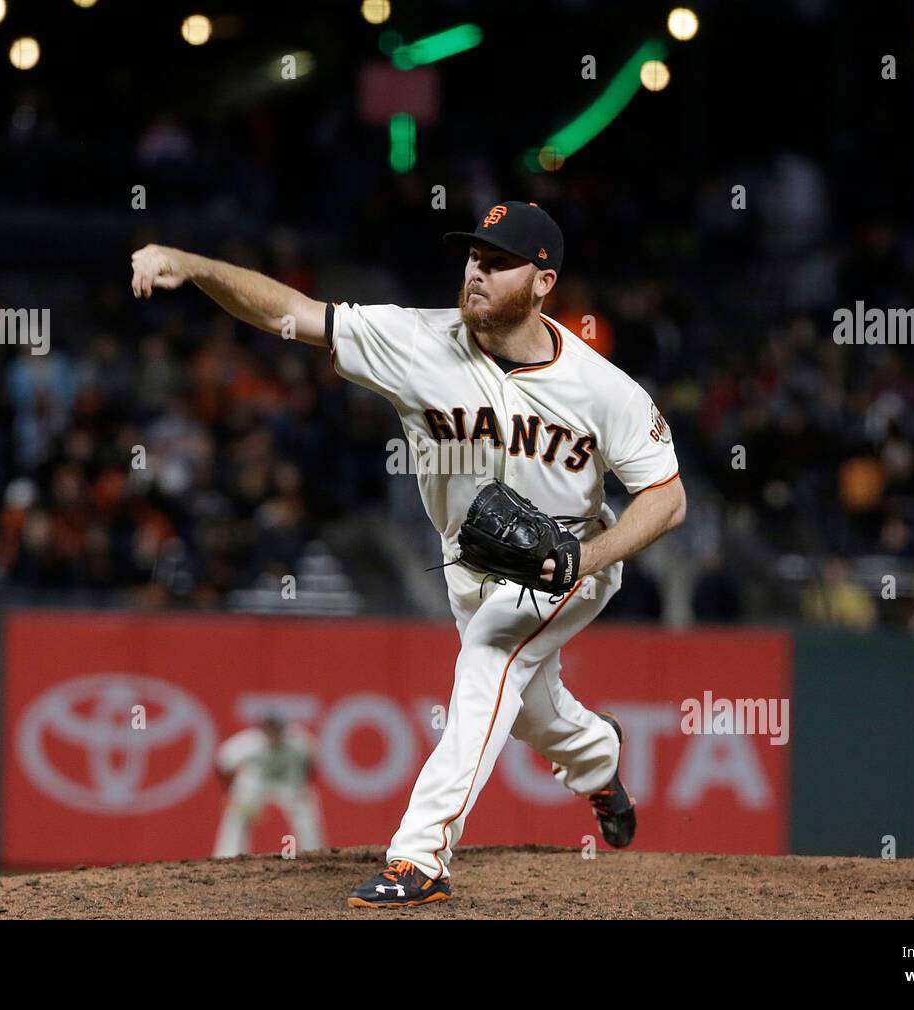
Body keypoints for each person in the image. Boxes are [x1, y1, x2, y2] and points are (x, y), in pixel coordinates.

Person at [131, 200, 686, 908]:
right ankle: (596, 756)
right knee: (528, 711)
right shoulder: (414, 341)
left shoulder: (603, 388)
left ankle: (420, 857)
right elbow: (290, 314)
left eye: (498, 262)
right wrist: (192, 263)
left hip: (572, 562)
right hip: (470, 569)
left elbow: (667, 500)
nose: (477, 272)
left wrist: (589, 556)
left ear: (544, 282)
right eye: (473, 257)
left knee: (491, 655)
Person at [212, 715, 323, 859]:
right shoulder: (249, 742)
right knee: (238, 807)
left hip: (288, 782)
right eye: (270, 730)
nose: (273, 734)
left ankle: (315, 855)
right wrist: (228, 793)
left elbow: (311, 764)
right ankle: (226, 856)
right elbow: (223, 764)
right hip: (256, 783)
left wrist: (302, 787)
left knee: (305, 805)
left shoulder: (299, 741)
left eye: (277, 729)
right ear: (263, 730)